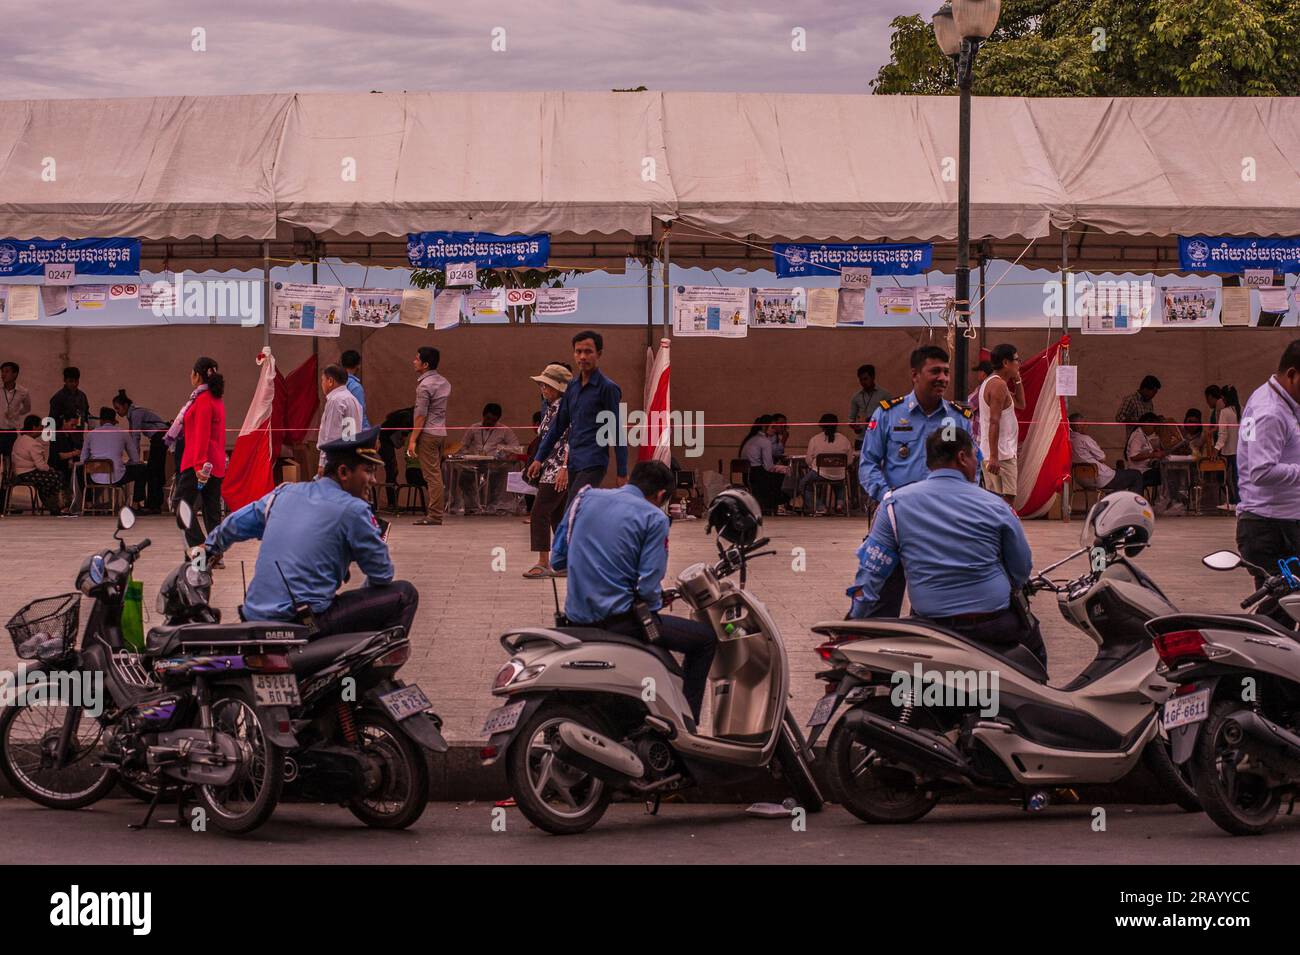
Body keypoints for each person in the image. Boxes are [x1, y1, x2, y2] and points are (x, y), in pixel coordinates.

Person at [848, 429, 1046, 667]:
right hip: (993, 625)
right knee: (1036, 656)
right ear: (962, 458)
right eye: (976, 456)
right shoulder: (997, 506)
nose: (977, 463)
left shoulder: (894, 506)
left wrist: (854, 623)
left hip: (930, 627)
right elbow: (1021, 569)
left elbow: (871, 574)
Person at [205, 426, 418, 640]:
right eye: (368, 471)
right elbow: (381, 574)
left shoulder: (284, 493)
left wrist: (203, 556)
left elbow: (232, 526)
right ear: (343, 472)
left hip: (254, 617)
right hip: (304, 624)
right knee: (405, 594)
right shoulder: (355, 510)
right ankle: (369, 669)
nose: (373, 480)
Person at [550, 460, 716, 721]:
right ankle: (688, 724)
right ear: (661, 495)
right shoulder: (655, 518)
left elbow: (557, 560)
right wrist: (654, 602)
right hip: (618, 621)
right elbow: (648, 585)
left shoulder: (584, 497)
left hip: (575, 617)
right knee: (705, 640)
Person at [859, 345, 974, 617]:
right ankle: (878, 651)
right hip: (896, 522)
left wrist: (963, 504)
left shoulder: (958, 419)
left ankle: (923, 652)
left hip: (941, 522)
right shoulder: (887, 414)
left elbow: (972, 468)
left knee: (935, 606)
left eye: (946, 372)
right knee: (880, 602)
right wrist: (888, 498)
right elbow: (868, 464)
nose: (943, 378)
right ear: (915, 374)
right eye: (935, 371)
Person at [1234, 340, 1300, 626]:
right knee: (1280, 612)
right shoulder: (1271, 412)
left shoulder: (1272, 399)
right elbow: (1261, 471)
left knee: (1286, 607)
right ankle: (1259, 669)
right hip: (1271, 529)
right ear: (1293, 374)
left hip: (1277, 523)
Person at [527, 330, 628, 505]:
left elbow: (616, 431)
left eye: (588, 351)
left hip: (594, 462)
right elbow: (558, 426)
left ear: (599, 354)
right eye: (578, 351)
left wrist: (622, 472)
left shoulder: (607, 388)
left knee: (573, 509)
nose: (582, 357)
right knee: (573, 513)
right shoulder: (572, 387)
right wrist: (538, 458)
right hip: (574, 461)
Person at [172, 357, 227, 549]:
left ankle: (200, 546)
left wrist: (199, 465)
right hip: (215, 461)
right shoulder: (216, 399)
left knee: (180, 504)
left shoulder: (202, 400)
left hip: (198, 461)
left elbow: (202, 433)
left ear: (196, 375)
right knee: (211, 508)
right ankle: (216, 551)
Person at [524, 364, 572, 578]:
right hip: (549, 466)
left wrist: (565, 467)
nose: (543, 389)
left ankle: (544, 561)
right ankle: (566, 561)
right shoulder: (549, 406)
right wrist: (538, 460)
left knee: (539, 513)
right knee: (557, 516)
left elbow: (572, 440)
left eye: (547, 385)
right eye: (542, 385)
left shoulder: (567, 408)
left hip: (559, 468)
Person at [977, 343, 1025, 504]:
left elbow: (1021, 404)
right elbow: (994, 422)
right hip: (1000, 453)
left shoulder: (994, 383)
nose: (1019, 363)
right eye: (1017, 360)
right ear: (1006, 363)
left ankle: (994, 529)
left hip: (996, 451)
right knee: (1006, 499)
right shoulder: (998, 385)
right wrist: (994, 456)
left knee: (996, 500)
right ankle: (1001, 529)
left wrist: (1018, 380)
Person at [408, 346, 451, 526]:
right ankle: (435, 512)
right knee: (436, 474)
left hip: (428, 433)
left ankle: (434, 515)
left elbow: (420, 415)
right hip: (441, 431)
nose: (414, 361)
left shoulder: (424, 386)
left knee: (432, 475)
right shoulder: (444, 382)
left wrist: (412, 439)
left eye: (417, 359)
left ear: (425, 364)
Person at [455, 402, 520, 514]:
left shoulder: (504, 430)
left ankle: (493, 506)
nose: (490, 422)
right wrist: (467, 455)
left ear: (498, 419)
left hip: (495, 466)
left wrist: (505, 454)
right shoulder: (474, 428)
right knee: (463, 479)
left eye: (493, 420)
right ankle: (472, 506)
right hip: (474, 464)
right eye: (488, 418)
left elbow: (516, 447)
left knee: (497, 479)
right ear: (483, 415)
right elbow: (463, 445)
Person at [112, 389, 169, 513]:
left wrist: (135, 459)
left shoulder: (136, 414)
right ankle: (153, 504)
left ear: (125, 405)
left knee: (153, 471)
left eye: (118, 408)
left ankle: (153, 505)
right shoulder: (133, 414)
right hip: (159, 438)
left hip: (159, 437)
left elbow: (135, 436)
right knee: (155, 471)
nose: (117, 412)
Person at [80, 406, 147, 500]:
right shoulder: (123, 433)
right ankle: (136, 503)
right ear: (114, 420)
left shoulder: (91, 434)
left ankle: (88, 502)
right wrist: (126, 463)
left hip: (95, 478)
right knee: (142, 469)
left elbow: (83, 459)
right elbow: (135, 458)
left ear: (101, 420)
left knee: (80, 470)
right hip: (117, 477)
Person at [1068, 414, 1143, 494]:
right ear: (1078, 425)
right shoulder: (1084, 439)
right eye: (1085, 423)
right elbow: (1102, 458)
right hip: (1098, 478)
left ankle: (1114, 502)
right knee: (1136, 475)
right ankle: (1131, 505)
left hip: (1080, 479)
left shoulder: (1068, 440)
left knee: (1119, 472)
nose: (1087, 425)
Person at [9, 415, 64, 514]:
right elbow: (40, 466)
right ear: (34, 427)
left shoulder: (19, 440)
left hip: (18, 473)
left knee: (47, 480)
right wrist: (49, 468)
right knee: (57, 476)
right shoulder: (33, 444)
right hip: (27, 473)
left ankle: (50, 503)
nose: (42, 429)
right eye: (40, 426)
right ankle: (53, 504)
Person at [316, 363, 363, 477]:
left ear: (330, 381)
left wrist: (323, 463)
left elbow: (331, 435)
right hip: (349, 457)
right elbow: (349, 434)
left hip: (335, 460)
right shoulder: (352, 400)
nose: (322, 384)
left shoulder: (336, 400)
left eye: (323, 380)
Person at [801, 413, 853, 514]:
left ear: (821, 425)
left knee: (803, 484)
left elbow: (808, 460)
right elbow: (849, 461)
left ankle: (819, 507)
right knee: (839, 484)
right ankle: (840, 503)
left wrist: (813, 466)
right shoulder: (844, 439)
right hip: (839, 474)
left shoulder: (815, 439)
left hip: (820, 473)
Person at [377, 406, 424, 510]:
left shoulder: (407, 414)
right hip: (383, 441)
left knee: (393, 471)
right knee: (392, 471)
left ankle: (393, 501)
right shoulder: (407, 417)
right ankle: (391, 503)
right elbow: (403, 437)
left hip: (386, 440)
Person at [739, 414, 788, 514]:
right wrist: (785, 469)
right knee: (785, 478)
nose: (775, 430)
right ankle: (778, 505)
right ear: (764, 427)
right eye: (772, 427)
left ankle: (770, 505)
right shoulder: (765, 441)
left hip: (747, 475)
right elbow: (769, 466)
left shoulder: (751, 438)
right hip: (757, 475)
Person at [1125, 412, 1166, 503]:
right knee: (1165, 476)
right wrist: (1153, 455)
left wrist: (1153, 452)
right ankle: (1164, 502)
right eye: (1154, 426)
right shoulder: (1138, 436)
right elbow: (1134, 456)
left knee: (1164, 472)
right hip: (1139, 472)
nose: (1154, 430)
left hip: (1145, 469)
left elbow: (1144, 452)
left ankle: (1161, 501)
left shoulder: (1143, 435)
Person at [48, 367, 89, 456]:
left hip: (78, 438)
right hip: (63, 441)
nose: (74, 384)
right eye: (71, 381)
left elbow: (86, 414)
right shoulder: (58, 398)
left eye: (76, 381)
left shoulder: (82, 396)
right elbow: (51, 422)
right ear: (65, 380)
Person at [848, 364, 891, 439]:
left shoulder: (884, 395)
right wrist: (855, 427)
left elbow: (889, 415)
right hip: (862, 438)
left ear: (873, 377)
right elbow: (851, 419)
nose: (863, 382)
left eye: (865, 379)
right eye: (860, 380)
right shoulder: (856, 397)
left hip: (879, 438)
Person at [1215, 385, 1241, 509]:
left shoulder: (1224, 412)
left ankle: (1232, 502)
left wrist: (1216, 448)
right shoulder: (1244, 409)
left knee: (1229, 478)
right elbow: (1250, 434)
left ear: (1224, 398)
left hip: (1229, 451)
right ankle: (1241, 502)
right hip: (1242, 452)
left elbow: (1222, 433)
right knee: (1240, 477)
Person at [1, 361, 31, 458]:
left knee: (11, 458)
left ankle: (8, 473)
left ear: (15, 374)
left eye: (6, 371)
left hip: (11, 431)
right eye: (2, 372)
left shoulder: (23, 392)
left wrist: (16, 413)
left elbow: (27, 408)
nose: (3, 374)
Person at [340, 349, 370, 429]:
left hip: (343, 429)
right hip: (354, 430)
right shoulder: (355, 387)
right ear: (358, 365)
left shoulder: (337, 384)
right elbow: (360, 412)